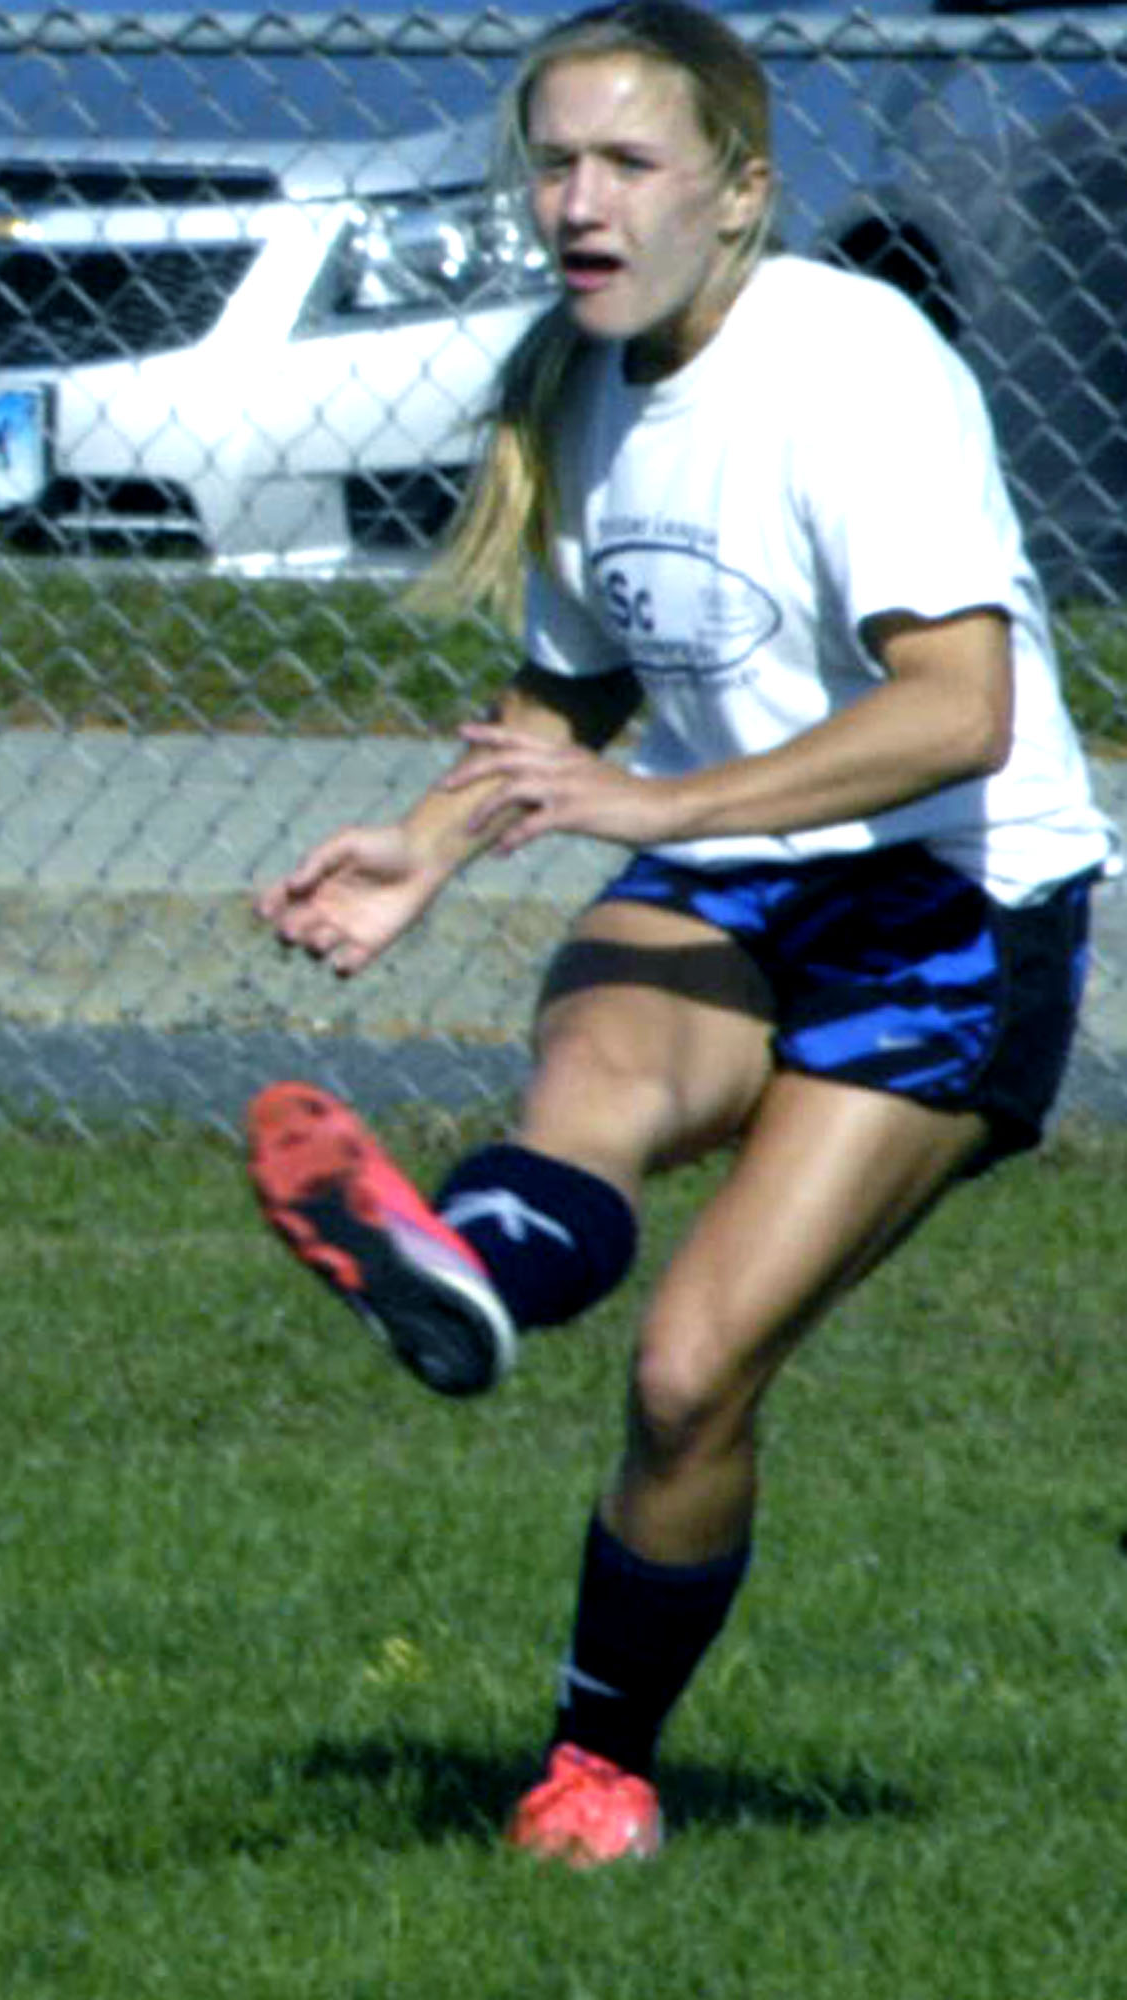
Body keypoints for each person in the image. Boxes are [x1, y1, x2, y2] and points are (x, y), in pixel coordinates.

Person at [244, 0, 1118, 1868]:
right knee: (603, 1053)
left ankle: (594, 1759)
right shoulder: (573, 382)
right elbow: (563, 700)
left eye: (626, 163)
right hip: (745, 867)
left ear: (738, 191)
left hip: (953, 906)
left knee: (686, 1375)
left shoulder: (851, 363)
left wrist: (649, 812)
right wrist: (420, 847)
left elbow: (956, 709)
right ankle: (473, 1264)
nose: (579, 201)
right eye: (551, 161)